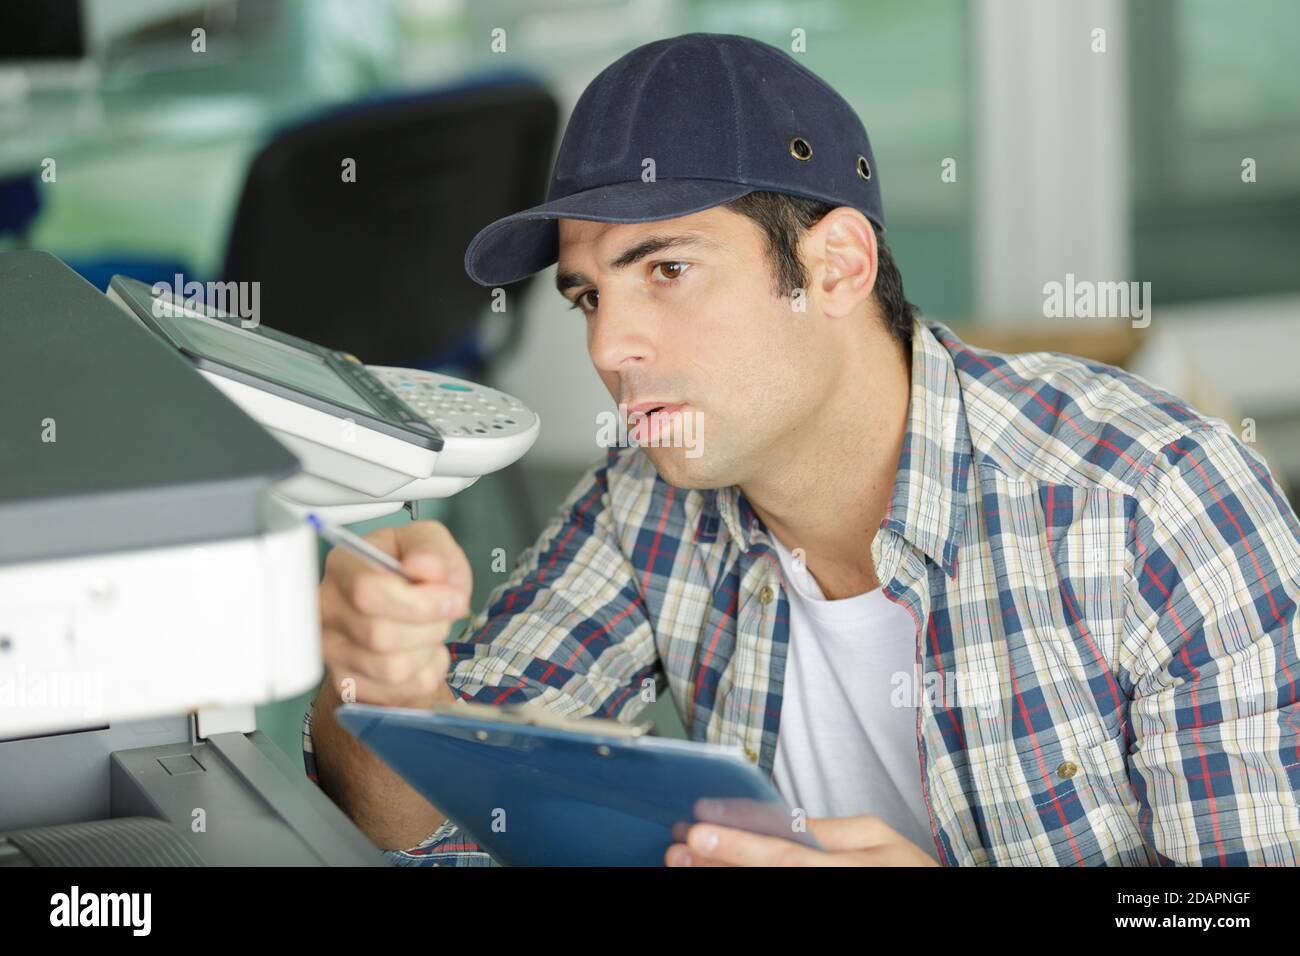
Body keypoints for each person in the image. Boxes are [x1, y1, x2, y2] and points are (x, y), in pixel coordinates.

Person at [302, 32, 1300, 867]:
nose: (609, 347)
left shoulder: (1154, 498)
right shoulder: (644, 499)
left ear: (835, 266)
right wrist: (384, 690)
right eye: (588, 295)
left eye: (669, 269)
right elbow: (440, 830)